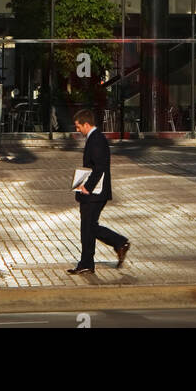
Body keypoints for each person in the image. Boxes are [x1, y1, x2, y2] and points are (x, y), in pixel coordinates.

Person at [67, 107, 131, 275]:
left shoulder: (96, 140)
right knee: (89, 227)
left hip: (95, 193)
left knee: (88, 228)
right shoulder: (95, 138)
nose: (77, 130)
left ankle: (118, 243)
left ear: (86, 124)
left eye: (78, 126)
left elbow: (99, 167)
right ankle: (90, 261)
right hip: (96, 192)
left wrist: (86, 187)